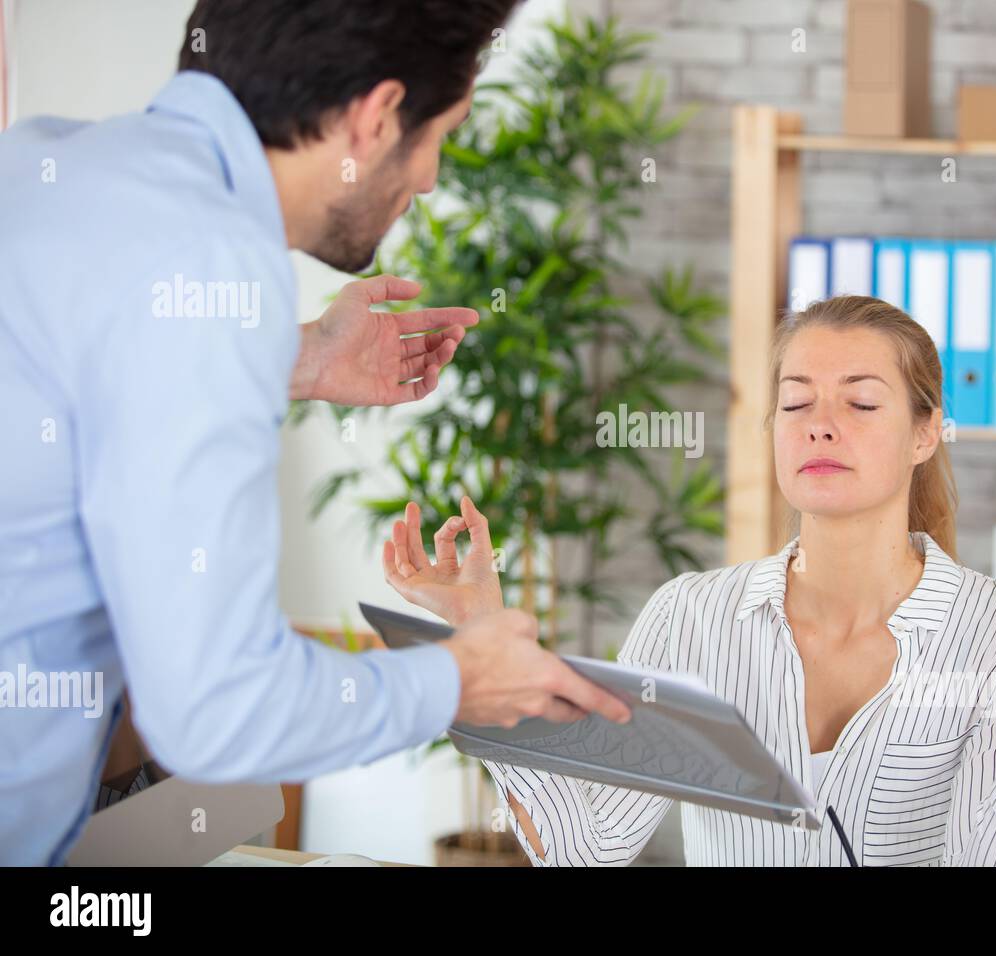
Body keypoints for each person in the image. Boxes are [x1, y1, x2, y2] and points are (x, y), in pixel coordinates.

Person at [0, 0, 629, 866]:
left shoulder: (48, 159)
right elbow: (217, 713)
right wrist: (459, 679)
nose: (433, 178)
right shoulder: (213, 259)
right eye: (442, 132)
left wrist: (298, 360)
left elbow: (76, 389)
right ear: (375, 120)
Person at [382, 295, 996, 866]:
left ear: (926, 433)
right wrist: (480, 647)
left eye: (861, 404)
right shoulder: (691, 617)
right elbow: (589, 845)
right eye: (797, 403)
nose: (820, 425)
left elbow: (984, 860)